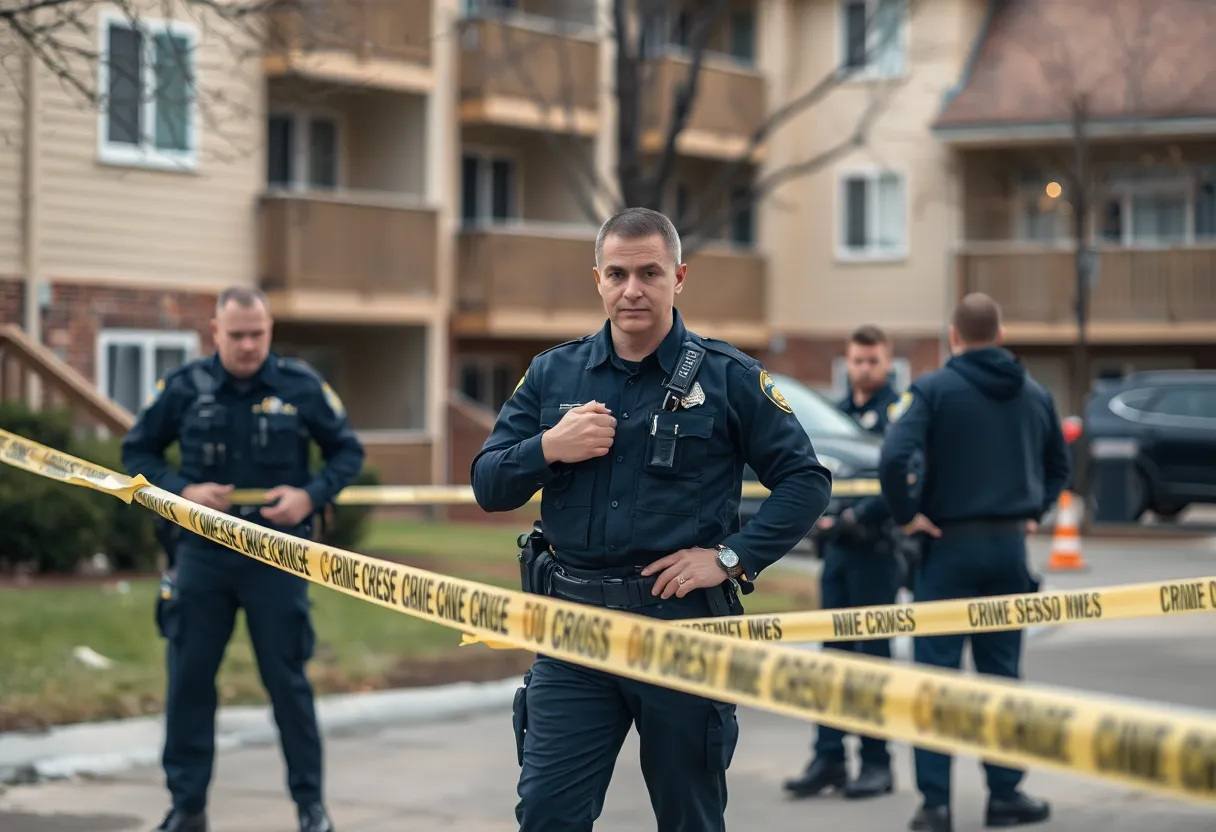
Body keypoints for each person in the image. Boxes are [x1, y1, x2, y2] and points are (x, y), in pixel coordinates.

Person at [471, 207, 833, 832]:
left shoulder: (728, 377)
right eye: (617, 273)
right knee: (546, 814)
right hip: (573, 631)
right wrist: (548, 448)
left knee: (689, 818)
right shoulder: (554, 373)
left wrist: (730, 558)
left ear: (679, 277)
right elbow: (488, 484)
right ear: (598, 279)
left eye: (649, 272)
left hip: (681, 633)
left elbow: (806, 480)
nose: (632, 289)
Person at [121, 286, 365, 832]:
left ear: (269, 329)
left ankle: (310, 807)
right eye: (237, 335)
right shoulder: (185, 388)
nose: (249, 345)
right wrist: (181, 489)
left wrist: (311, 494)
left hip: (277, 556)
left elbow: (347, 452)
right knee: (188, 682)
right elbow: (137, 453)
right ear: (215, 331)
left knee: (288, 683)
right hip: (201, 554)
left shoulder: (301, 386)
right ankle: (187, 807)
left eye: (258, 334)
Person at [878, 293, 1070, 832]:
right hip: (1010, 551)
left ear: (953, 336)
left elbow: (894, 457)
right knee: (1001, 677)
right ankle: (1005, 795)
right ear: (1001, 336)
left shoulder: (933, 391)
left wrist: (907, 514)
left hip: (949, 550)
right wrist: (1035, 509)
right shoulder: (1035, 394)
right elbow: (1061, 465)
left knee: (937, 681)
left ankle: (936, 805)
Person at [783, 324, 902, 800]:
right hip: (835, 553)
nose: (865, 368)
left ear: (887, 362)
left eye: (873, 361)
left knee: (872, 660)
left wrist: (855, 517)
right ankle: (829, 757)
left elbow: (901, 481)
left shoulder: (899, 414)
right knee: (833, 659)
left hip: (875, 552)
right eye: (857, 360)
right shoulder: (835, 416)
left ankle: (877, 763)